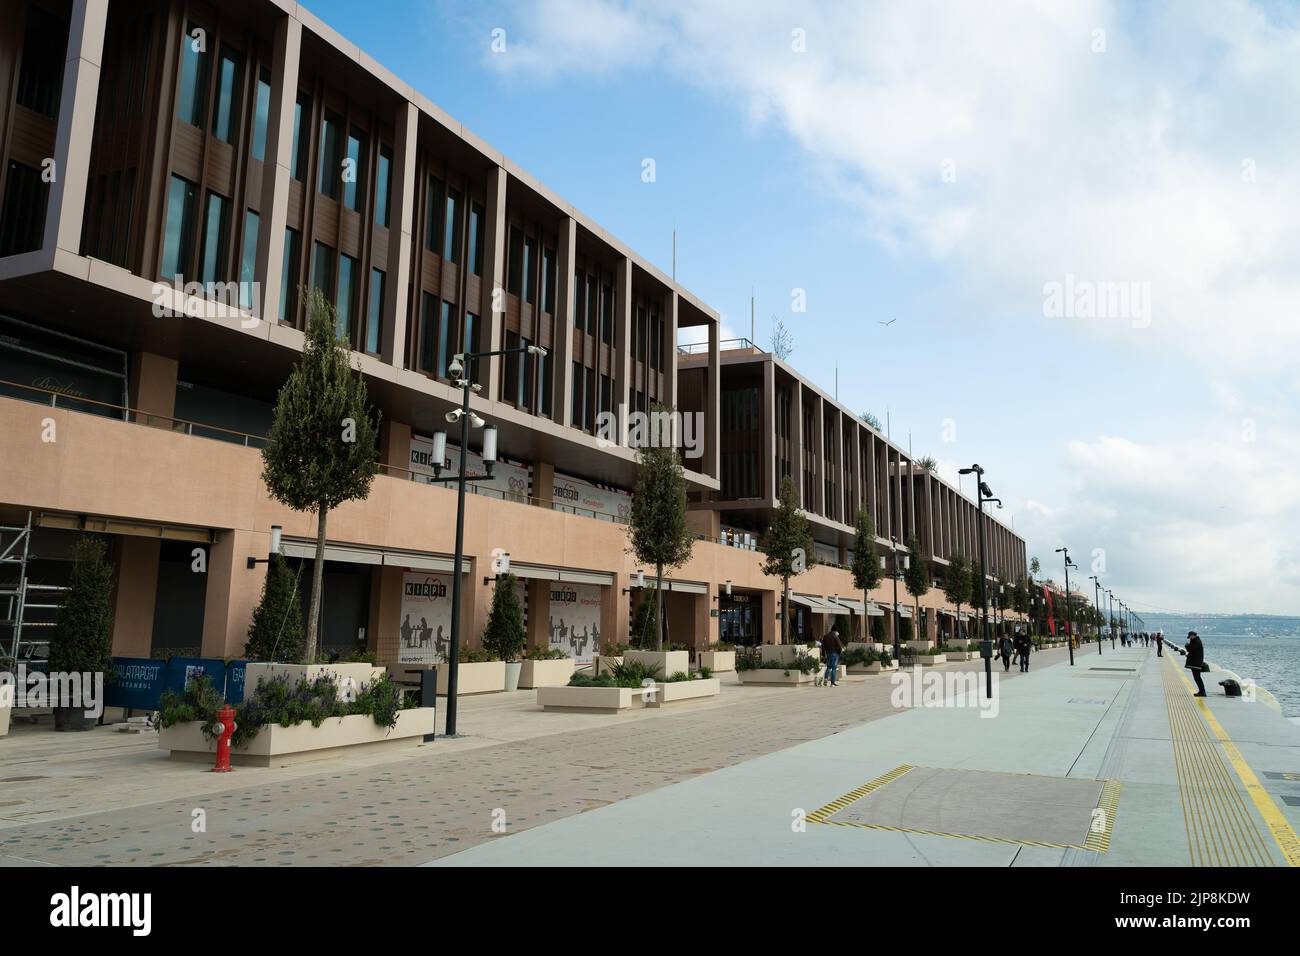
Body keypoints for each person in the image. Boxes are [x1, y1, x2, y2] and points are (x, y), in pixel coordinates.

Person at [1184, 630, 1207, 696]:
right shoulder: (1195, 641)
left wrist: (1186, 646)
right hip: (1195, 663)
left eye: (1190, 637)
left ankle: (1202, 691)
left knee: (1197, 678)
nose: (1190, 638)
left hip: (1196, 663)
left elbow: (1190, 649)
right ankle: (1201, 691)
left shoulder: (1197, 642)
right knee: (1197, 678)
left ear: (1193, 635)